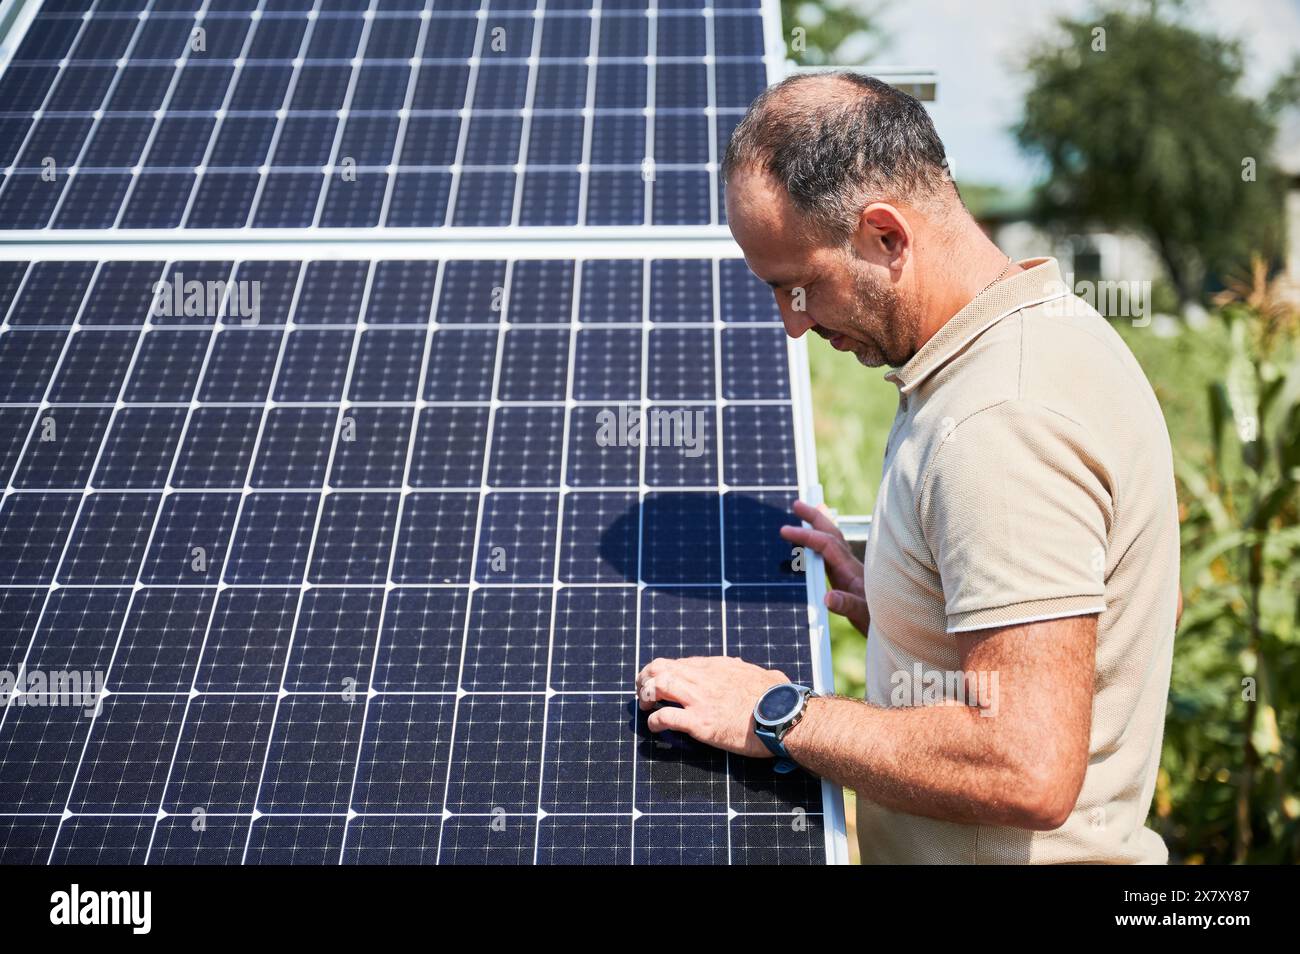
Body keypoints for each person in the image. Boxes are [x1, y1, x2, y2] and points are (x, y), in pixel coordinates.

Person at [634, 71, 1182, 864]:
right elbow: (1116, 626)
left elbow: (1025, 767)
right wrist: (906, 601)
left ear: (886, 237)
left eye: (799, 288)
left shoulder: (1000, 420)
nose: (794, 326)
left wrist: (777, 711)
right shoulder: (1041, 336)